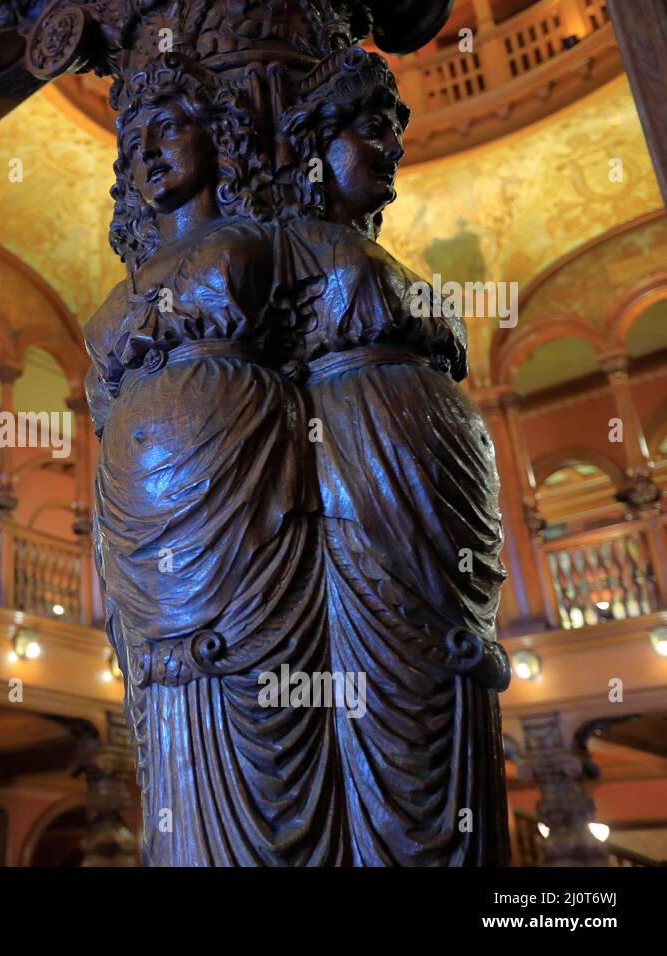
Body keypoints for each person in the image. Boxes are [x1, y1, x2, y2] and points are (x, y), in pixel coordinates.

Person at [85, 54, 344, 866]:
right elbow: (100, 384)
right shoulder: (162, 269)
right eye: (133, 144)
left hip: (245, 493)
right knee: (170, 723)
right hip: (143, 518)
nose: (147, 152)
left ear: (221, 136)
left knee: (261, 710)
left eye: (170, 128)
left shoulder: (252, 239)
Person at [279, 47, 512, 865]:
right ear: (317, 142)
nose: (393, 149)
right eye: (371, 129)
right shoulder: (291, 247)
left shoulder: (376, 258)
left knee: (456, 678)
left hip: (441, 484)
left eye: (396, 132)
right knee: (396, 685)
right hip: (362, 463)